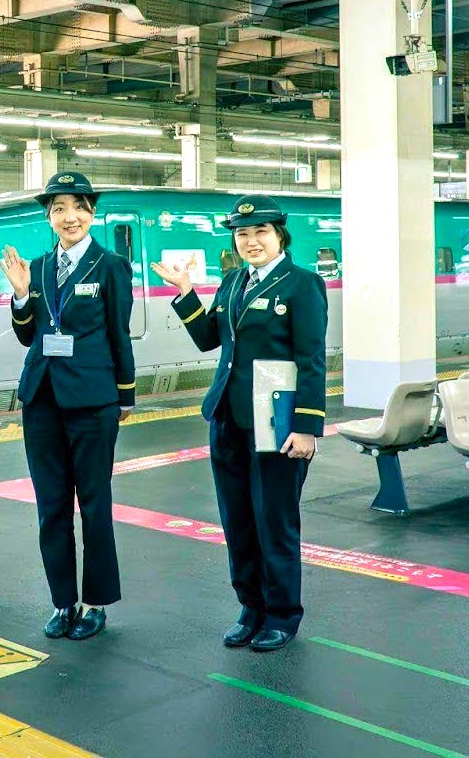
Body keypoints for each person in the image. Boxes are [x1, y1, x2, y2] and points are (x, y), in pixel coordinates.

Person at [151, 195, 326, 653]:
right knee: (238, 520)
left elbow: (311, 359)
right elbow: (210, 340)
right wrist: (186, 293)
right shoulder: (232, 282)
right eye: (243, 234)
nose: (251, 241)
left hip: (277, 415)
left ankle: (282, 614)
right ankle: (250, 607)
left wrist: (307, 426)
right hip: (227, 414)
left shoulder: (303, 284)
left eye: (260, 232)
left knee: (275, 520)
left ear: (279, 236)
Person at [0, 172, 135, 642]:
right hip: (41, 399)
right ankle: (63, 602)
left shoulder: (110, 265)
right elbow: (27, 335)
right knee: (50, 506)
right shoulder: (35, 268)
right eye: (58, 209)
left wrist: (125, 394)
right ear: (49, 217)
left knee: (95, 504)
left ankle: (96, 602)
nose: (68, 216)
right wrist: (19, 295)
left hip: (93, 402)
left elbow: (119, 331)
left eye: (77, 207)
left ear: (91, 213)